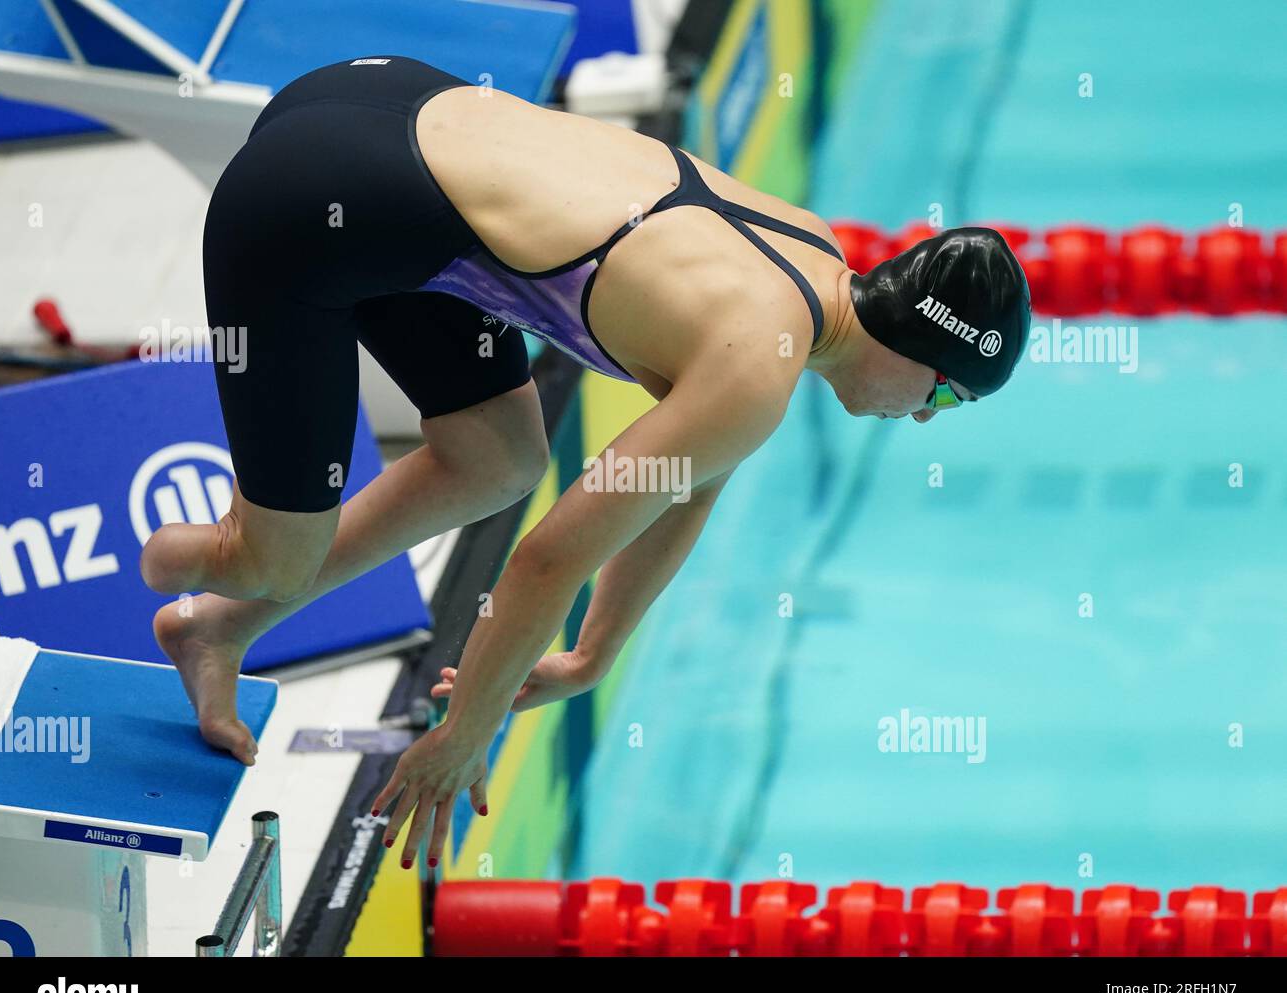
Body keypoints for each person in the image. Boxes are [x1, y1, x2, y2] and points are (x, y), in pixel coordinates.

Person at [140, 56, 1031, 870]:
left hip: (379, 109)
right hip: (303, 206)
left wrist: (594, 654)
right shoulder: (762, 364)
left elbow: (681, 488)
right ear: (925, 345)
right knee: (275, 555)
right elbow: (547, 559)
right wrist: (464, 734)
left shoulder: (813, 258)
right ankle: (168, 555)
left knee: (498, 456)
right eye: (946, 396)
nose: (921, 417)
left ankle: (215, 627)